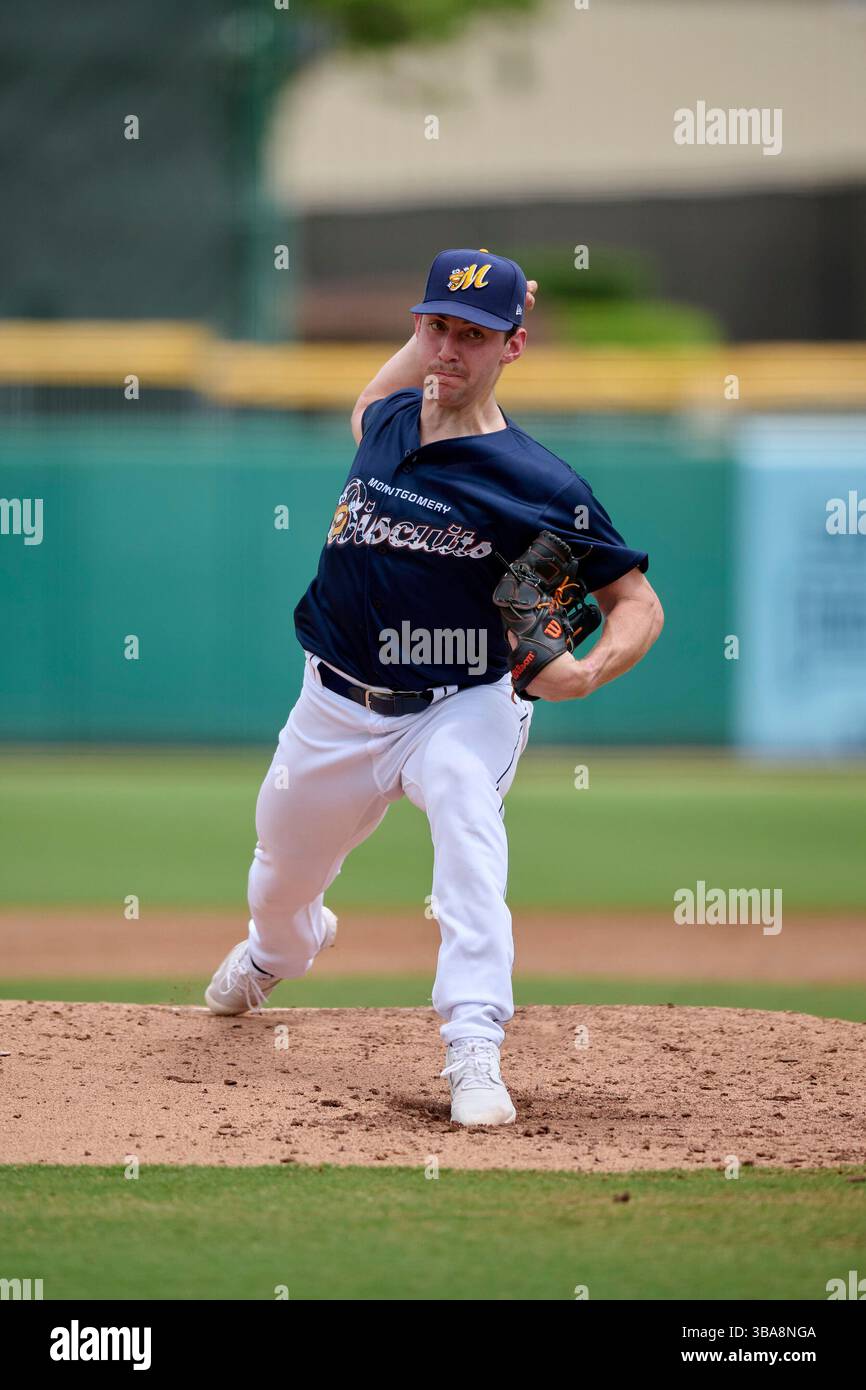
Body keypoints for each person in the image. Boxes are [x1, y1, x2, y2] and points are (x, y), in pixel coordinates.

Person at [205, 248, 664, 1126]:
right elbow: (383, 387)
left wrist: (591, 670)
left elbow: (633, 600)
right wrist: (452, 318)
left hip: (463, 701)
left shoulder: (541, 484)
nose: (449, 348)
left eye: (474, 334)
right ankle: (274, 954)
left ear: (513, 347)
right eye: (436, 327)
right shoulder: (385, 423)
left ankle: (475, 1044)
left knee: (463, 808)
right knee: (278, 885)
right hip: (334, 707)